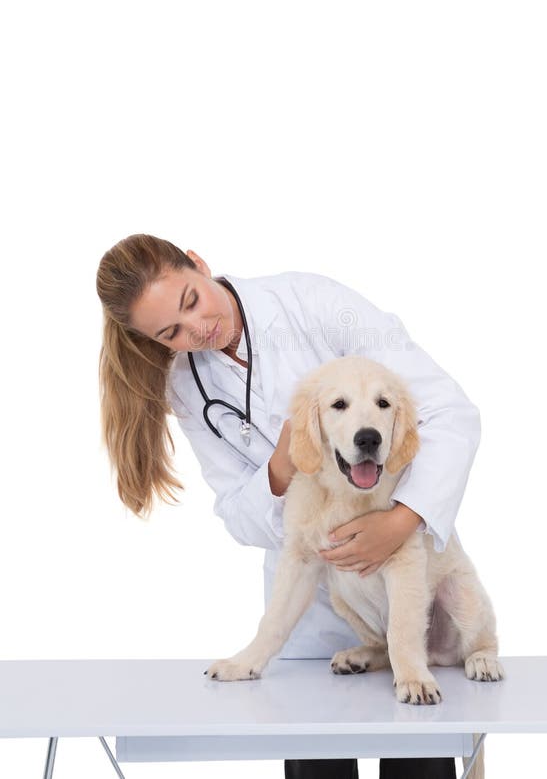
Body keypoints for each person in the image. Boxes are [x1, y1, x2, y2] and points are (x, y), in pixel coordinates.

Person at [96, 233, 482, 779]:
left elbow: (448, 412)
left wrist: (401, 522)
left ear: (199, 263)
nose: (197, 329)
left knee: (418, 757)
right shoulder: (186, 387)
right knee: (316, 765)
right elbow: (236, 512)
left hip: (407, 579)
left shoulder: (311, 304)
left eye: (190, 301)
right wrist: (279, 470)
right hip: (310, 619)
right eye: (171, 333)